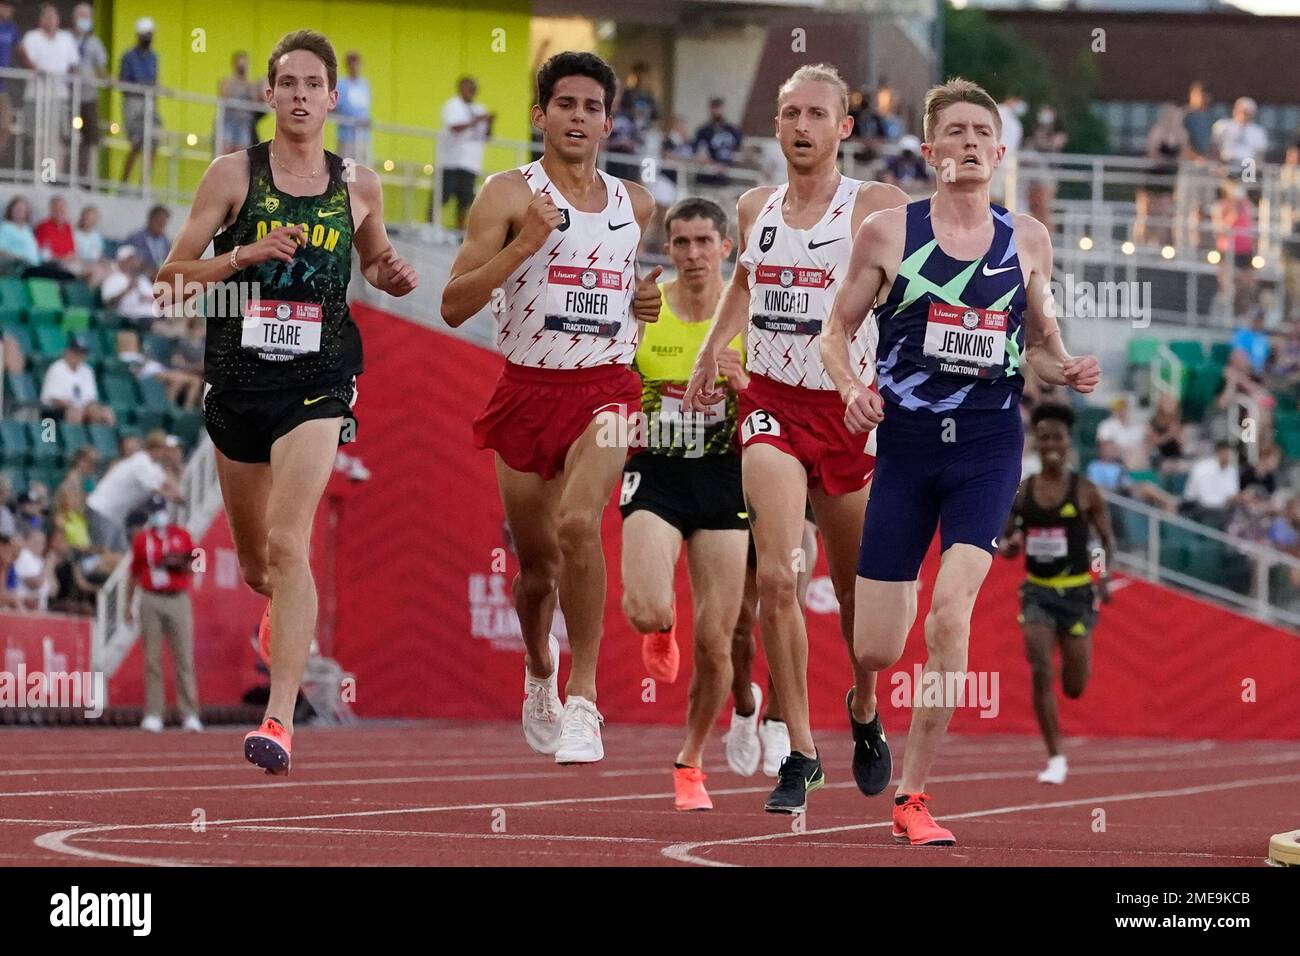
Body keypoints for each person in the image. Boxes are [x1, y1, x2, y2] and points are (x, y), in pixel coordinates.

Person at [820, 77, 1101, 845]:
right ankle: (864, 703)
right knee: (876, 643)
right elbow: (834, 332)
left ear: (1001, 152)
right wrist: (850, 389)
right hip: (906, 452)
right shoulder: (888, 233)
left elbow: (1039, 344)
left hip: (985, 450)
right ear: (931, 149)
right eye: (958, 132)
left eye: (984, 132)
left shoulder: (1028, 239)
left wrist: (1066, 365)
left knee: (951, 617)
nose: (971, 143)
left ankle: (912, 798)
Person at [157, 29, 417, 774]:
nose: (301, 95)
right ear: (268, 95)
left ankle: (279, 720)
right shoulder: (233, 176)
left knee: (288, 539)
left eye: (314, 84)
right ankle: (279, 609)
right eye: (288, 83)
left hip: (320, 383)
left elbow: (376, 259)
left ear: (334, 98)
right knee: (257, 566)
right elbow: (168, 281)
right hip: (238, 386)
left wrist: (392, 273)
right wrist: (243, 254)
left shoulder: (358, 186)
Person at [683, 63, 909, 814]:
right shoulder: (755, 207)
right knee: (778, 577)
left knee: (853, 595)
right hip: (772, 405)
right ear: (776, 125)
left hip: (846, 414)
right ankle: (802, 753)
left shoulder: (877, 208)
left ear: (844, 127)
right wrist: (713, 350)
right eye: (789, 114)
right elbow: (745, 286)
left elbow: (920, 287)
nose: (801, 126)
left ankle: (866, 709)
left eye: (817, 114)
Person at [441, 51, 660, 765]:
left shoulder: (637, 205)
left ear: (608, 122)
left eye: (592, 108)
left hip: (607, 387)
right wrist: (527, 246)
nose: (579, 118)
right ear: (541, 115)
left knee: (577, 523)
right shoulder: (508, 195)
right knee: (536, 569)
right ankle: (540, 671)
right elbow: (453, 304)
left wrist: (647, 301)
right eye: (565, 104)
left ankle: (586, 700)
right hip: (527, 390)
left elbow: (635, 288)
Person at [616, 197, 748, 809]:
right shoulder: (646, 310)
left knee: (717, 645)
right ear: (667, 249)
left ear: (727, 247)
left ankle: (690, 761)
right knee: (643, 606)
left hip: (725, 478)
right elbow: (610, 378)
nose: (693, 254)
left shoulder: (749, 318)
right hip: (658, 472)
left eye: (704, 242)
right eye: (681, 243)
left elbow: (780, 406)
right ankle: (661, 625)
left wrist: (743, 386)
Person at [1000, 404, 1114, 785]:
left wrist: (1103, 578)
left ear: (1068, 443)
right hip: (1037, 592)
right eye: (1044, 437)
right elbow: (1007, 536)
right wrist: (1011, 545)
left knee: (1074, 686)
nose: (1050, 444)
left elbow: (1105, 543)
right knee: (1040, 668)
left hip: (1078, 594)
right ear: (1037, 441)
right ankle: (1055, 756)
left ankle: (1075, 664)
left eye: (1057, 438)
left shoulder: (1085, 491)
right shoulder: (1024, 489)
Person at [125, 496, 201, 732]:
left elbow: (198, 563)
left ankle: (189, 712)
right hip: (151, 597)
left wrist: (181, 563)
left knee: (184, 657)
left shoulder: (182, 535)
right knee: (152, 658)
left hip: (177, 597)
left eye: (161, 510)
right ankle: (154, 712)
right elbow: (134, 572)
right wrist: (127, 605)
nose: (159, 515)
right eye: (155, 511)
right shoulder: (142, 540)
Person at [85, 430, 182, 555]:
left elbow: (168, 483)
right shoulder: (141, 462)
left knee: (122, 555)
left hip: (115, 516)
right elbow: (161, 491)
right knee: (104, 554)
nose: (166, 454)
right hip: (101, 510)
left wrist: (174, 466)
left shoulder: (154, 467)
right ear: (156, 449)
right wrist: (181, 499)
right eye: (164, 450)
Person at [17, 5, 79, 170]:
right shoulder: (32, 37)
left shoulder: (66, 38)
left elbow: (73, 65)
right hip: (35, 95)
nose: (50, 20)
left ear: (58, 19)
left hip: (59, 96)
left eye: (53, 16)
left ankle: (50, 177)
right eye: (46, 16)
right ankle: (32, 175)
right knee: (34, 137)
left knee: (55, 139)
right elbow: (24, 56)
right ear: (40, 19)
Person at [438, 76, 492, 230]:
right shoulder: (452, 105)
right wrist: (477, 120)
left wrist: (489, 123)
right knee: (442, 195)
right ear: (460, 88)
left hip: (470, 162)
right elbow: (455, 127)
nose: (470, 92)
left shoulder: (480, 109)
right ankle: (431, 224)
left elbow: (486, 136)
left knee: (466, 199)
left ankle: (460, 230)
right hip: (451, 160)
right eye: (468, 88)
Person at [1135, 104, 1189, 247]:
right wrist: (1167, 160)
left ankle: (1159, 244)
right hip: (1152, 175)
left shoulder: (1181, 134)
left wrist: (1171, 162)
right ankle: (1141, 243)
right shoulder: (1157, 131)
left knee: (1164, 213)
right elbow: (1152, 152)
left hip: (1168, 176)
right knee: (1146, 212)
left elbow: (1183, 154)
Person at [119, 17, 162, 187]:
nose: (148, 38)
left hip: (149, 103)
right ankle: (125, 182)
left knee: (154, 141)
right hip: (133, 102)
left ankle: (143, 183)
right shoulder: (129, 57)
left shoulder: (153, 57)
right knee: (137, 142)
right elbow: (124, 81)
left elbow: (154, 79)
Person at [40, 335, 114, 424]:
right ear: (68, 351)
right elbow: (55, 400)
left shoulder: (87, 370)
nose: (79, 356)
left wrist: (94, 411)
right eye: (76, 352)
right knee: (75, 413)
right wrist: (77, 408)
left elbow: (91, 399)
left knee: (107, 413)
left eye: (82, 353)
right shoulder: (57, 368)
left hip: (80, 409)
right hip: (55, 411)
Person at [71, 3, 106, 181]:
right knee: (65, 136)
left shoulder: (95, 43)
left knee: (91, 137)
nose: (84, 21)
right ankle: (61, 176)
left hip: (89, 96)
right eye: (81, 17)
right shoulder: (66, 39)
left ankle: (86, 178)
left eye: (87, 17)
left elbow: (101, 69)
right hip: (67, 95)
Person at [692, 97, 743, 187]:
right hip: (707, 176)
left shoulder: (733, 130)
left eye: (719, 108)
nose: (717, 111)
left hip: (727, 176)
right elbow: (700, 153)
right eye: (714, 108)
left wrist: (730, 165)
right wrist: (713, 165)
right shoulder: (704, 131)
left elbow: (739, 152)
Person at [217, 51, 259, 154]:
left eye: (245, 64)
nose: (242, 66)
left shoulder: (250, 84)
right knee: (225, 151)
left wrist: (248, 83)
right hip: (228, 122)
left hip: (243, 123)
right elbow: (223, 97)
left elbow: (256, 100)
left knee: (241, 154)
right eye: (240, 64)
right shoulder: (227, 81)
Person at [1211, 97, 1268, 172]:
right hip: (1225, 165)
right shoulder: (1222, 125)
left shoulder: (1259, 131)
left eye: (1247, 112)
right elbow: (1214, 147)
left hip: (1248, 167)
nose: (1243, 114)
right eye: (1241, 111)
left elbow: (1260, 154)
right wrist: (1219, 164)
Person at [334, 51, 370, 162]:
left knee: (364, 167)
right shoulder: (341, 85)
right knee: (347, 169)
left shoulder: (364, 84)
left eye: (357, 64)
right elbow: (332, 107)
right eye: (352, 64)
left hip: (364, 135)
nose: (355, 68)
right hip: (347, 135)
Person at [123, 204, 171, 275]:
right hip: (141, 275)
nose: (161, 227)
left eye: (163, 224)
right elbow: (127, 261)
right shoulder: (135, 238)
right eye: (158, 222)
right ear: (150, 219)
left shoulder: (165, 242)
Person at [34, 195, 75, 265]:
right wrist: (62, 259)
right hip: (54, 264)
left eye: (62, 208)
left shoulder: (67, 226)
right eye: (56, 208)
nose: (59, 211)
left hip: (70, 263)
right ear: (51, 209)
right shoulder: (43, 226)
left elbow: (72, 251)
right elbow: (43, 255)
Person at [1182, 82, 1214, 162]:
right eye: (1197, 95)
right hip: (1187, 162)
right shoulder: (1183, 116)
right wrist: (1194, 157)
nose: (1200, 99)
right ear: (1190, 96)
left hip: (1207, 161)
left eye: (1204, 96)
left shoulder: (1210, 118)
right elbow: (1180, 142)